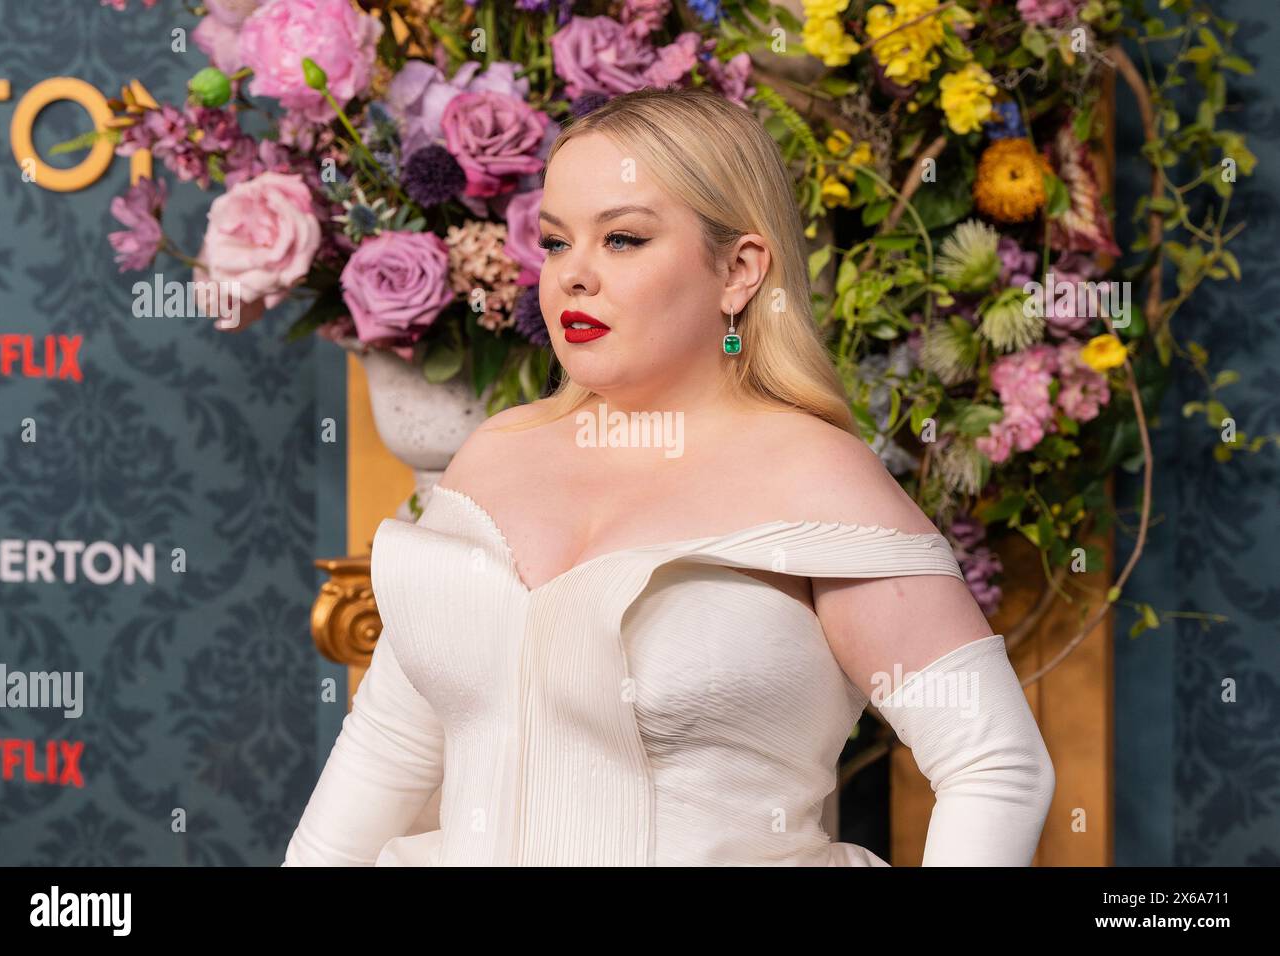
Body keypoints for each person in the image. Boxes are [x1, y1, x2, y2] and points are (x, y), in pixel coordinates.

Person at [283, 86, 1055, 867]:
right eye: (556, 243)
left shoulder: (818, 479)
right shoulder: (491, 457)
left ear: (740, 270)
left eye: (621, 239)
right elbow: (389, 747)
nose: (573, 276)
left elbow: (994, 765)